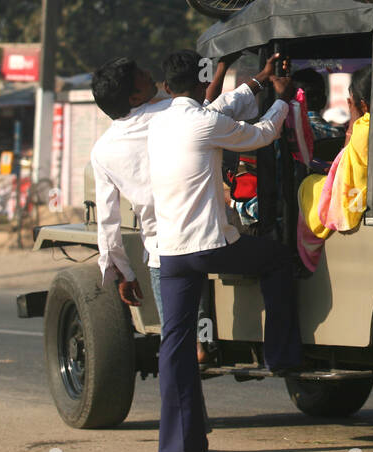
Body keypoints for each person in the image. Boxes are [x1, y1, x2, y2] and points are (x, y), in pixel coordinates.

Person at [147, 50, 300, 452]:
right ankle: (282, 355)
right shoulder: (204, 121)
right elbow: (262, 134)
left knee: (175, 346)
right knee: (277, 259)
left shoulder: (158, 124)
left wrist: (258, 81)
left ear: (166, 87)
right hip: (212, 245)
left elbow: (217, 108)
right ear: (200, 85)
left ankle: (180, 449)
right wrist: (282, 98)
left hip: (171, 253)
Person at [90, 54, 282, 364]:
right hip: (205, 235)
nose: (148, 71)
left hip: (162, 251)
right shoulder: (168, 114)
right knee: (272, 257)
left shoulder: (102, 150)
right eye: (141, 73)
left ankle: (193, 357)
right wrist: (263, 81)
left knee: (177, 342)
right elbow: (216, 109)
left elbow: (108, 221)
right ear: (135, 96)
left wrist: (123, 272)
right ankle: (270, 351)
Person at [297, 67, 371, 270]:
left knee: (308, 185)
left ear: (361, 104)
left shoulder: (363, 129)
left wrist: (353, 121)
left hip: (354, 198)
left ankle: (302, 260)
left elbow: (343, 171)